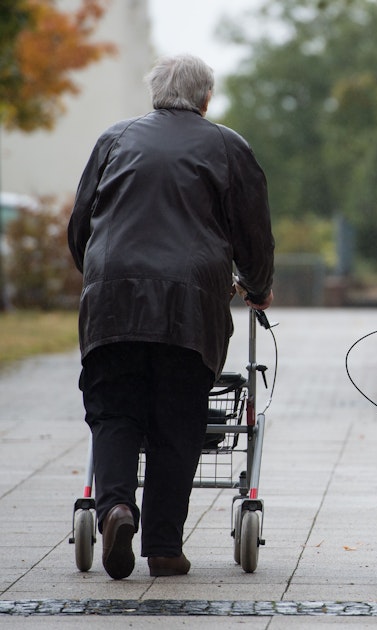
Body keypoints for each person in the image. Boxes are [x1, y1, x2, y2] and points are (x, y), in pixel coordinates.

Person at [68, 54, 275, 580]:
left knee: (114, 410)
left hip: (111, 298)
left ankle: (115, 507)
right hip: (189, 306)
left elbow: (82, 223)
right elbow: (252, 232)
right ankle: (162, 546)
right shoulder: (228, 146)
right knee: (177, 421)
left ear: (155, 93)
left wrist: (96, 276)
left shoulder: (114, 139)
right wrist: (258, 286)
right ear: (207, 98)